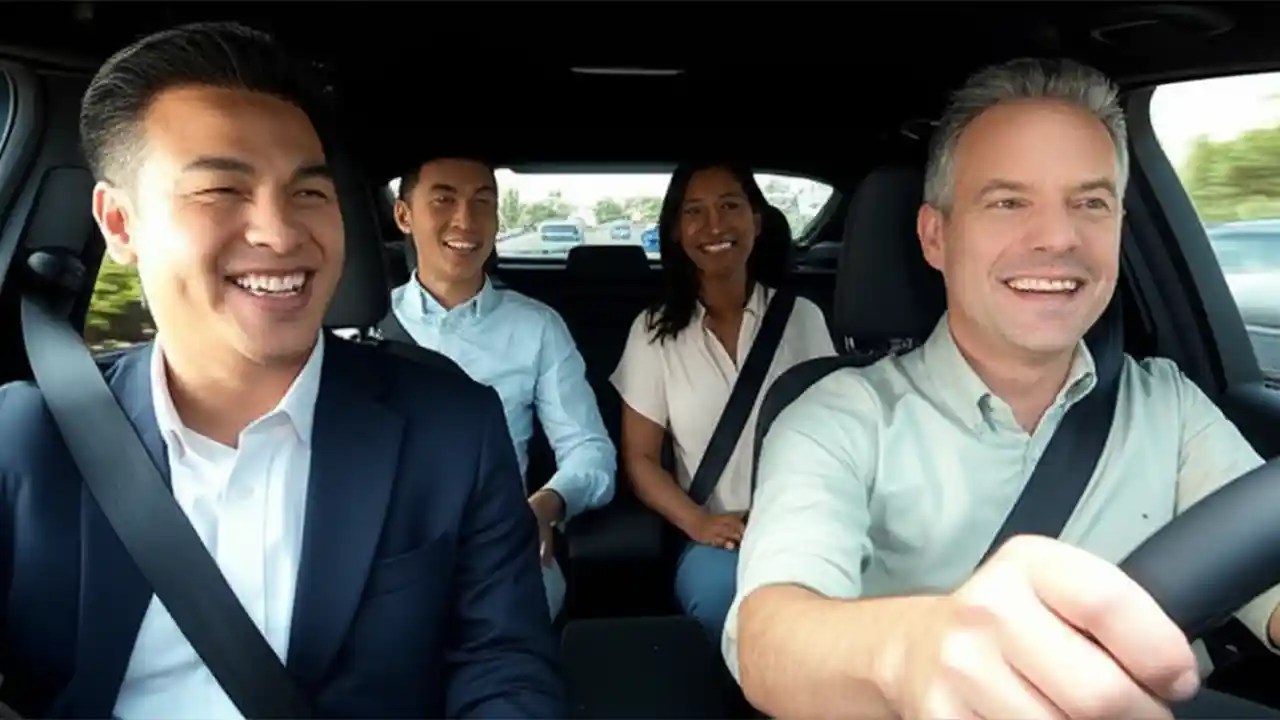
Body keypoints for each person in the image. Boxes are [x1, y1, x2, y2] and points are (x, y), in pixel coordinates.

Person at [0, 22, 564, 718]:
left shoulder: (449, 428)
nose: (280, 232)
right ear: (120, 224)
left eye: (307, 193)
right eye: (220, 192)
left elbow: (503, 668)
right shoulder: (27, 442)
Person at [724, 57, 1280, 719]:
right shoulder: (836, 419)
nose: (1058, 236)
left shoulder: (1171, 404)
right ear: (936, 235)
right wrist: (913, 651)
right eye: (1009, 201)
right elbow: (768, 633)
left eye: (1091, 202)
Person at [610, 161, 835, 643]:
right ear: (676, 231)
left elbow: (839, 433)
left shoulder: (804, 319)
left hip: (810, 525)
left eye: (729, 206)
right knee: (726, 603)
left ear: (756, 220)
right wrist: (699, 522)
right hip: (719, 536)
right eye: (695, 211)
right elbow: (640, 458)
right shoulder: (652, 334)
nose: (714, 225)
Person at [387, 155, 617, 619]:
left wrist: (545, 506)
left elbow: (592, 452)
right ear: (404, 215)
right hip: (382, 543)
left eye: (483, 202)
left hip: (498, 541)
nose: (465, 220)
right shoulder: (360, 324)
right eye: (443, 199)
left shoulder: (536, 328)